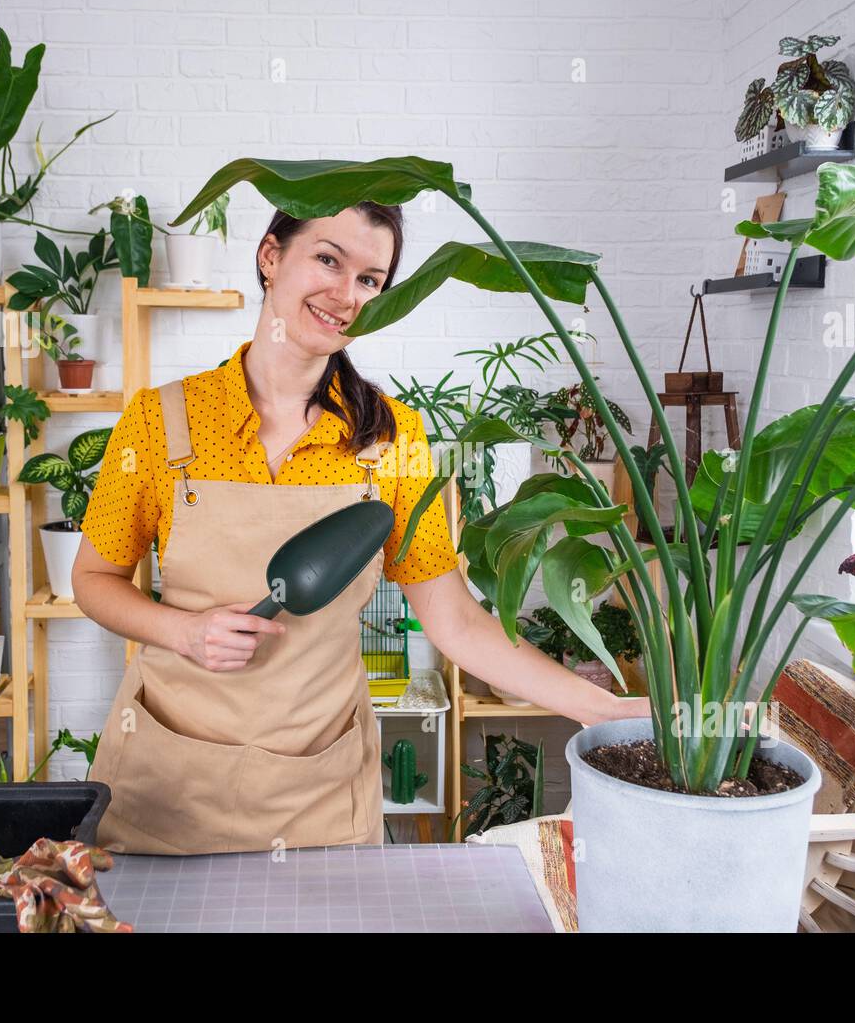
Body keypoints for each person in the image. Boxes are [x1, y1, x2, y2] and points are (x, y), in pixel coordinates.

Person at [71, 200, 648, 855]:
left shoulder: (393, 439)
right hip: (167, 783)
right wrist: (180, 629)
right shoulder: (159, 420)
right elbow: (92, 578)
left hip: (316, 791)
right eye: (327, 259)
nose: (346, 295)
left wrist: (600, 710)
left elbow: (454, 620)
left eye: (370, 280)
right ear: (270, 257)